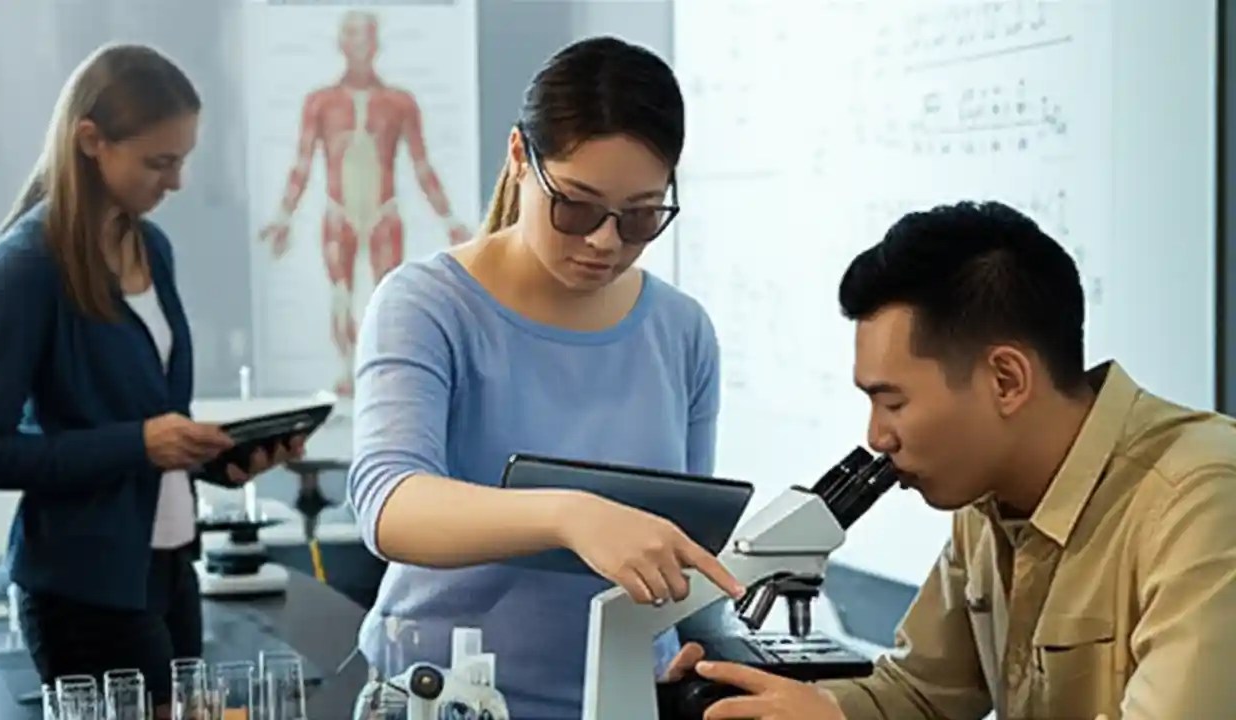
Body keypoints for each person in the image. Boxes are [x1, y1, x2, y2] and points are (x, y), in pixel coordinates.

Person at [666, 200, 1236, 719]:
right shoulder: (988, 504)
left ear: (1006, 380)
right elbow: (920, 693)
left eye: (893, 402)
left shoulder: (1202, 499)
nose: (877, 437)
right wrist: (774, 704)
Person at [346, 36, 745, 720]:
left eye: (641, 215)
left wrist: (726, 659)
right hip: (449, 704)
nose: (604, 242)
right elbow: (389, 503)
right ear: (517, 159)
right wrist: (569, 514)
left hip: (625, 703)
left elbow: (683, 551)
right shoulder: (427, 305)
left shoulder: (681, 332)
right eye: (578, 206)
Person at [0, 44, 302, 718]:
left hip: (169, 567)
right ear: (91, 141)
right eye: (159, 162)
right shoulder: (21, 273)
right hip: (81, 588)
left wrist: (222, 460)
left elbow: (147, 422)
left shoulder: (152, 249)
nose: (175, 182)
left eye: (182, 159)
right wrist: (139, 445)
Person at [260, 9, 473, 397]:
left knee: (386, 295)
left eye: (367, 36)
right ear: (341, 43)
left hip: (383, 212)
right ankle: (346, 370)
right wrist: (283, 216)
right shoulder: (321, 102)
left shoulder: (399, 103)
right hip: (339, 211)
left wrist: (451, 219)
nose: (361, 44)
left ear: (377, 44)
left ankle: (381, 371)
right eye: (353, 35)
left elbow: (422, 165)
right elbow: (303, 164)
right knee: (341, 294)